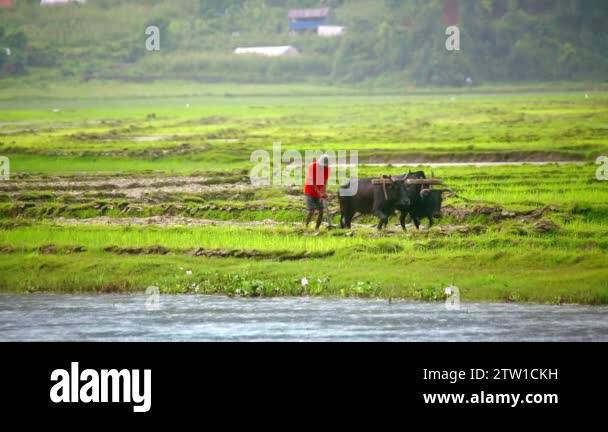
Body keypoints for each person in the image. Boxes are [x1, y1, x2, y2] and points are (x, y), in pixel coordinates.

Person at [304, 155, 330, 230]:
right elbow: (312, 182)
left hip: (319, 192)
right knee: (311, 210)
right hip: (309, 191)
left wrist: (324, 191)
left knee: (321, 211)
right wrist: (320, 193)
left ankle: (317, 229)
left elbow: (325, 181)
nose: (323, 167)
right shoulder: (312, 167)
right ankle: (305, 227)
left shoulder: (326, 168)